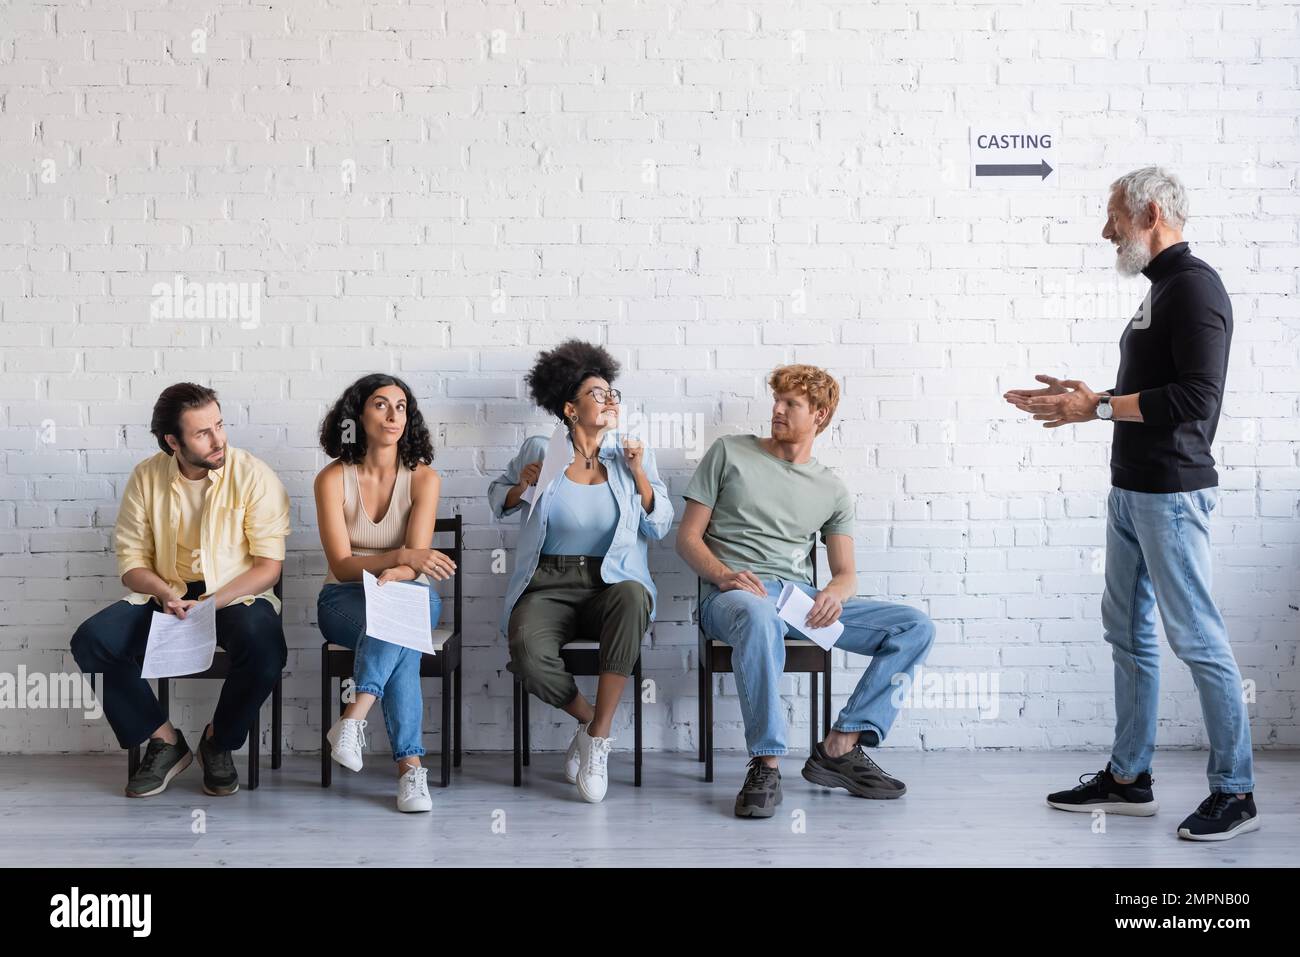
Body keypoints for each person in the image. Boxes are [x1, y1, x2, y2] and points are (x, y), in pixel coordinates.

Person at [1004, 166, 1259, 841]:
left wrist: (1096, 408)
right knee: (1128, 633)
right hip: (1133, 491)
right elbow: (1151, 386)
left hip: (1172, 495)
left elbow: (1197, 398)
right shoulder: (1162, 288)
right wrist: (1090, 395)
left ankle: (1236, 792)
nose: (1105, 229)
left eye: (1113, 215)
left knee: (1197, 640)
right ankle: (1129, 777)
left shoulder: (1195, 286)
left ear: (1148, 211)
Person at [676, 364, 935, 819]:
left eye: (790, 403)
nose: (776, 409)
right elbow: (688, 538)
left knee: (915, 627)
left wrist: (834, 593)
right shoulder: (728, 453)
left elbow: (846, 571)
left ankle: (841, 745)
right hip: (732, 597)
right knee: (756, 614)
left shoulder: (831, 488)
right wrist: (722, 574)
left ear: (820, 414)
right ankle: (767, 764)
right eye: (776, 399)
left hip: (798, 601)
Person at [71, 383, 290, 798]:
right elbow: (132, 563)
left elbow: (267, 568)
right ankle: (165, 742)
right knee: (92, 641)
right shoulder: (146, 477)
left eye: (219, 425)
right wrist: (163, 594)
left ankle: (219, 742)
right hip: (165, 594)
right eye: (202, 433)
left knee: (265, 651)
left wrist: (209, 602)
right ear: (173, 441)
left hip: (235, 593)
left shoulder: (253, 475)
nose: (218, 439)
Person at [488, 340, 673, 803]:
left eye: (612, 392)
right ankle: (592, 724)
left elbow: (661, 523)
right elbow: (498, 500)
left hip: (611, 580)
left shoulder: (632, 454)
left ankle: (599, 741)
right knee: (528, 652)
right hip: (547, 581)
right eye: (597, 393)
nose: (610, 399)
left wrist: (639, 475)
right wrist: (522, 487)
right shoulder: (540, 448)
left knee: (633, 598)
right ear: (570, 409)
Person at [315, 374, 455, 813]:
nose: (394, 415)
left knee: (404, 614)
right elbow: (341, 565)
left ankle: (354, 717)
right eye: (380, 404)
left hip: (408, 592)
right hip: (343, 598)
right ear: (357, 415)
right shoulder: (332, 479)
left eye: (401, 405)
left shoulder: (423, 479)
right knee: (405, 633)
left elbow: (415, 566)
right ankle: (410, 771)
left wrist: (400, 568)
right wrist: (399, 557)